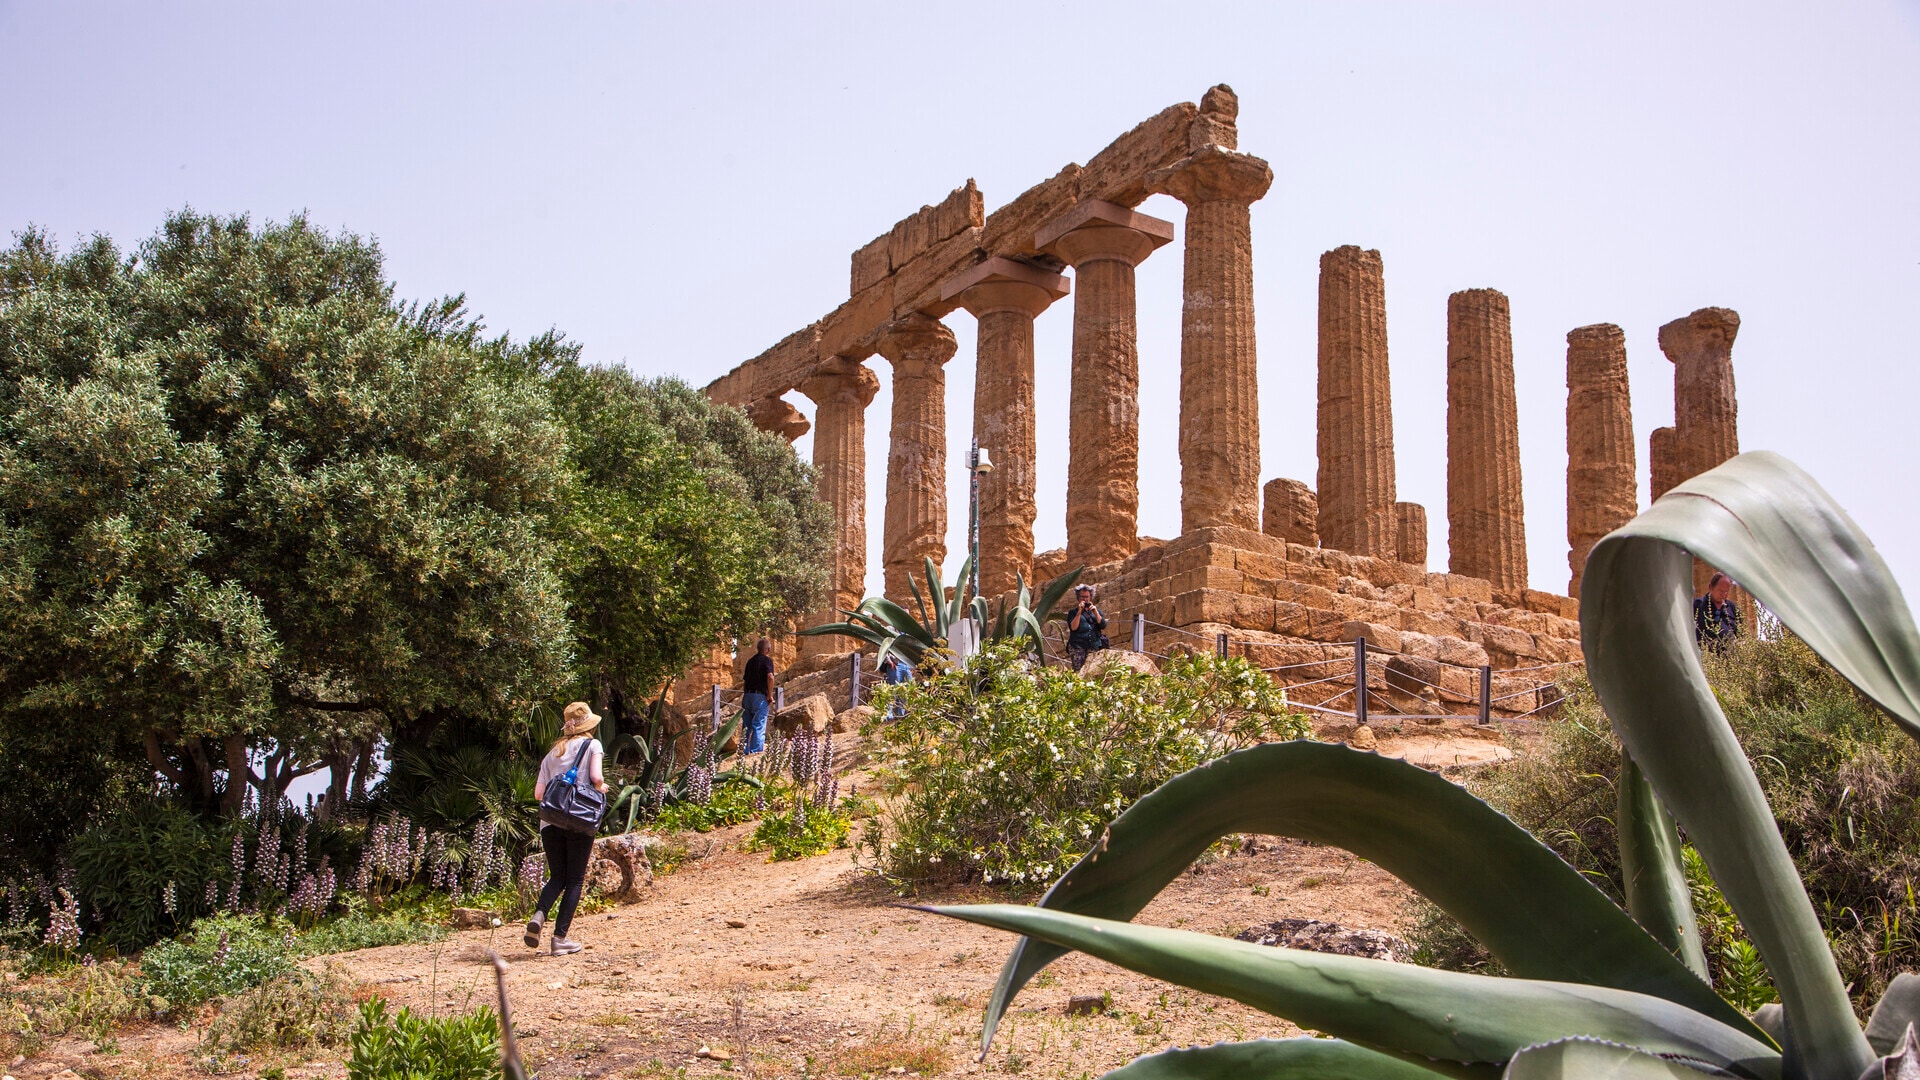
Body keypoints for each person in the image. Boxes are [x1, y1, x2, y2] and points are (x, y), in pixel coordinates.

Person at [525, 701, 608, 956]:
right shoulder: (592, 745)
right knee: (574, 879)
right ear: (587, 726)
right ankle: (559, 939)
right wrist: (602, 788)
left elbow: (539, 794)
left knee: (558, 876)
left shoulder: (551, 754)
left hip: (550, 822)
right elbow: (596, 778)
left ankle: (539, 916)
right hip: (578, 820)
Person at [741, 638, 775, 754]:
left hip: (747, 696)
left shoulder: (750, 661)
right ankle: (755, 751)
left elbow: (745, 681)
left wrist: (745, 694)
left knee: (746, 726)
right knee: (759, 725)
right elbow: (770, 677)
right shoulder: (767, 660)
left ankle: (744, 750)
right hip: (760, 697)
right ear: (768, 649)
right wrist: (770, 695)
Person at [1694, 571, 1741, 652]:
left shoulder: (1733, 608)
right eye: (1721, 591)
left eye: (1726, 592)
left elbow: (1741, 634)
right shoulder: (1697, 605)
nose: (1724, 595)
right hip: (1705, 658)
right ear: (1711, 587)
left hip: (1729, 659)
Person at [1066, 583, 1108, 672]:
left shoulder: (1096, 611)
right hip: (1078, 646)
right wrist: (1079, 612)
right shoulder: (1073, 612)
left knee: (1092, 671)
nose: (1085, 599)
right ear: (1078, 598)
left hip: (1094, 645)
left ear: (1090, 597)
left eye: (1087, 597)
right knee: (1079, 671)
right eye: (1082, 597)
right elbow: (1073, 628)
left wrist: (1095, 612)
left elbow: (1103, 625)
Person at [879, 651, 913, 719]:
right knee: (893, 691)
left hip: (907, 665)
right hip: (895, 664)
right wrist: (889, 661)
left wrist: (912, 666)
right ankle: (888, 716)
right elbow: (884, 648)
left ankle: (900, 716)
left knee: (905, 691)